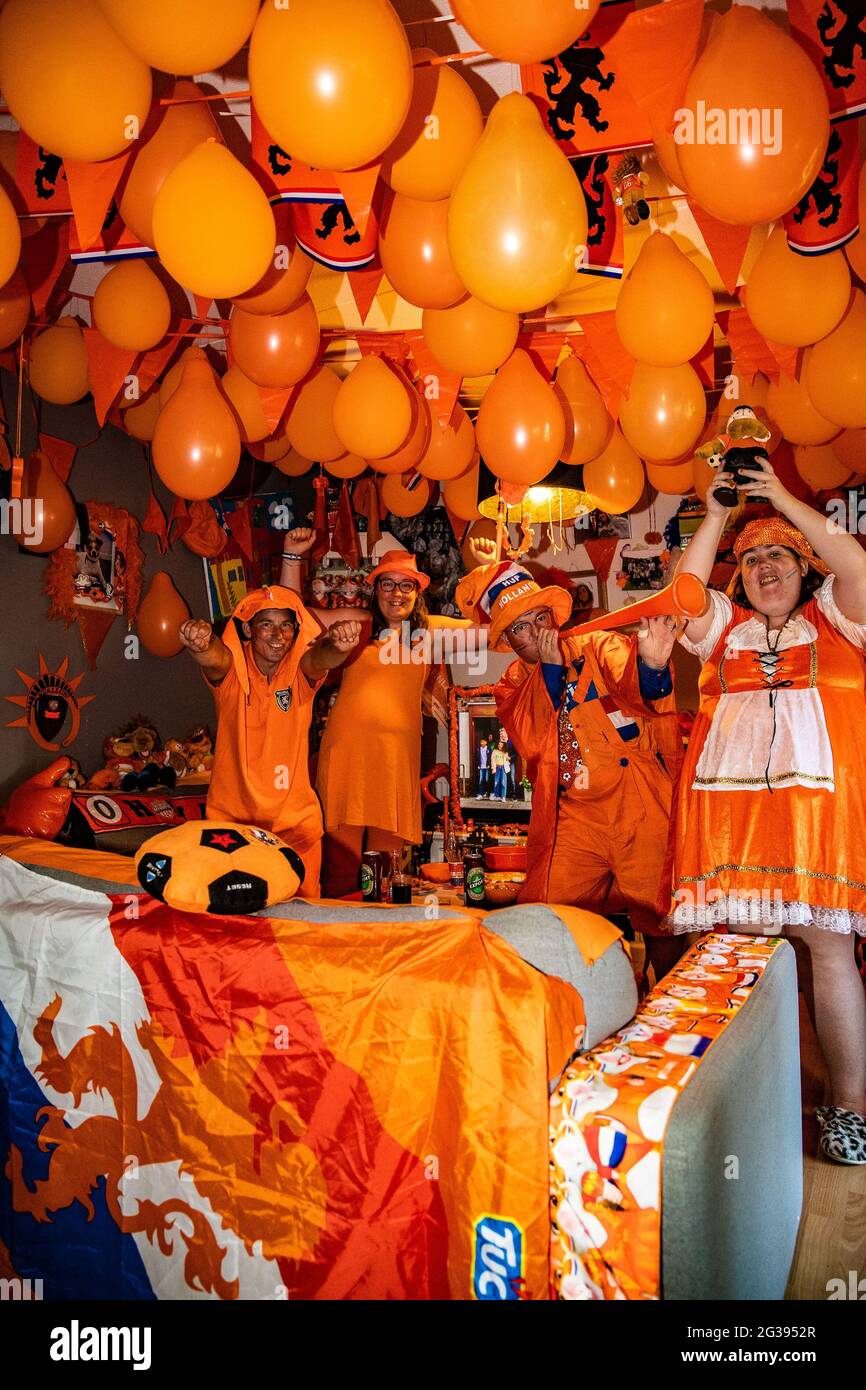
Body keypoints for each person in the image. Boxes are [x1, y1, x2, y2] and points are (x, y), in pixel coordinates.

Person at [670, 454, 866, 1165]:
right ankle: (756, 1111)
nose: (766, 567)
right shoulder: (724, 630)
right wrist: (719, 512)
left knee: (828, 953)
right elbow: (686, 593)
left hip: (820, 821)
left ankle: (850, 1110)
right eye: (753, 560)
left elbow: (856, 564)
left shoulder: (840, 618)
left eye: (781, 555)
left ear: (806, 566)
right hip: (736, 822)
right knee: (749, 959)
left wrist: (778, 492)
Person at [457, 560, 684, 982]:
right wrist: (551, 670)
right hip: (573, 816)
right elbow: (531, 737)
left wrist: (652, 664)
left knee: (663, 922)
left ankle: (672, 1010)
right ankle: (579, 1007)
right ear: (508, 639)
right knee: (548, 918)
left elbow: (641, 688)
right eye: (521, 627)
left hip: (639, 802)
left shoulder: (599, 644)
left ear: (554, 617)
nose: (537, 632)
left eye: (539, 617)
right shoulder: (510, 684)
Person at [280, 532, 471, 897]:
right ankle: (336, 943)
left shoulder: (429, 631)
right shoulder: (358, 622)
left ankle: (383, 945)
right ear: (376, 588)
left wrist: (487, 565)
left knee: (388, 877)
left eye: (406, 585)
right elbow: (295, 617)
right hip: (346, 760)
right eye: (388, 584)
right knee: (341, 870)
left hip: (395, 765)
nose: (396, 593)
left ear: (417, 592)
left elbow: (493, 630)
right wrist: (292, 557)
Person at [179, 586, 360, 897]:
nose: (278, 635)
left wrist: (338, 644)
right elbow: (214, 658)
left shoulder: (298, 670)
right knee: (240, 925)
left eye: (286, 625)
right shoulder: (233, 668)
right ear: (248, 628)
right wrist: (201, 641)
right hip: (233, 829)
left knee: (300, 925)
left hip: (295, 829)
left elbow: (320, 658)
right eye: (267, 624)